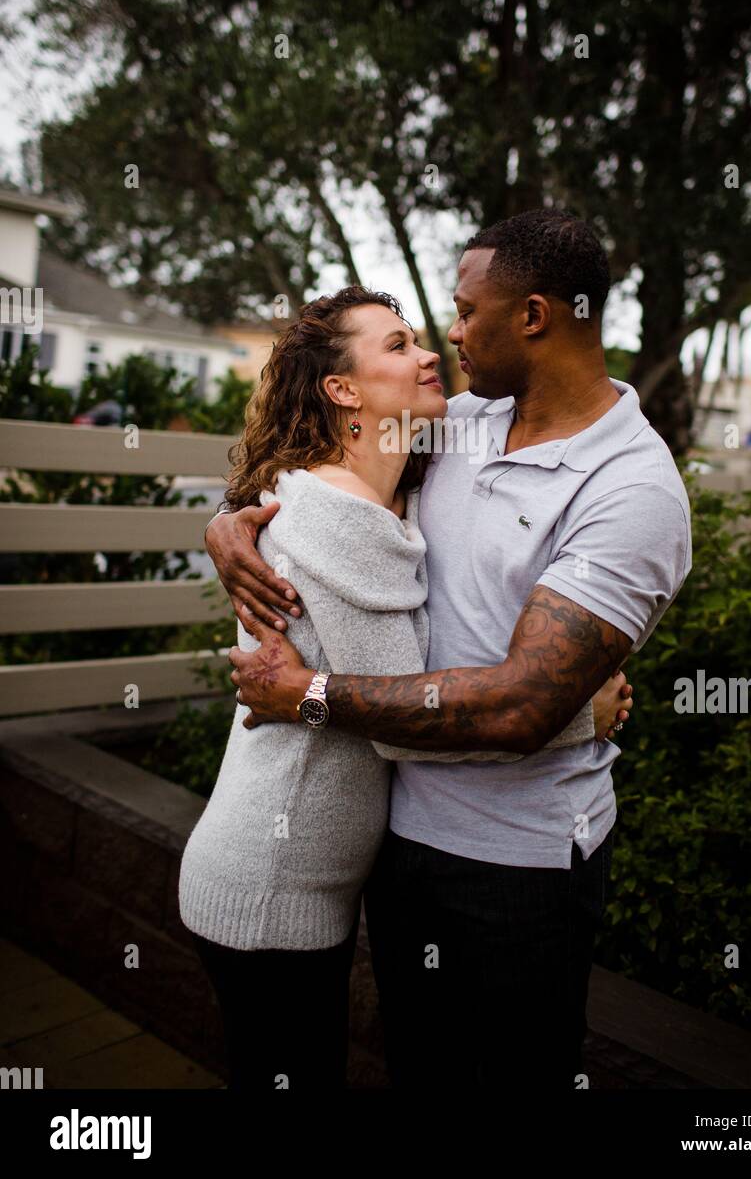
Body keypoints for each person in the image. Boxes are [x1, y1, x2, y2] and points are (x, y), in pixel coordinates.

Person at [212, 208, 692, 1092]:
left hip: (519, 870)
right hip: (403, 848)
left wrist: (309, 694)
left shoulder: (633, 490)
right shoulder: (460, 424)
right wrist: (227, 525)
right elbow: (318, 468)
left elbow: (517, 708)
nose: (452, 334)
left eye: (467, 313)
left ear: (535, 317)